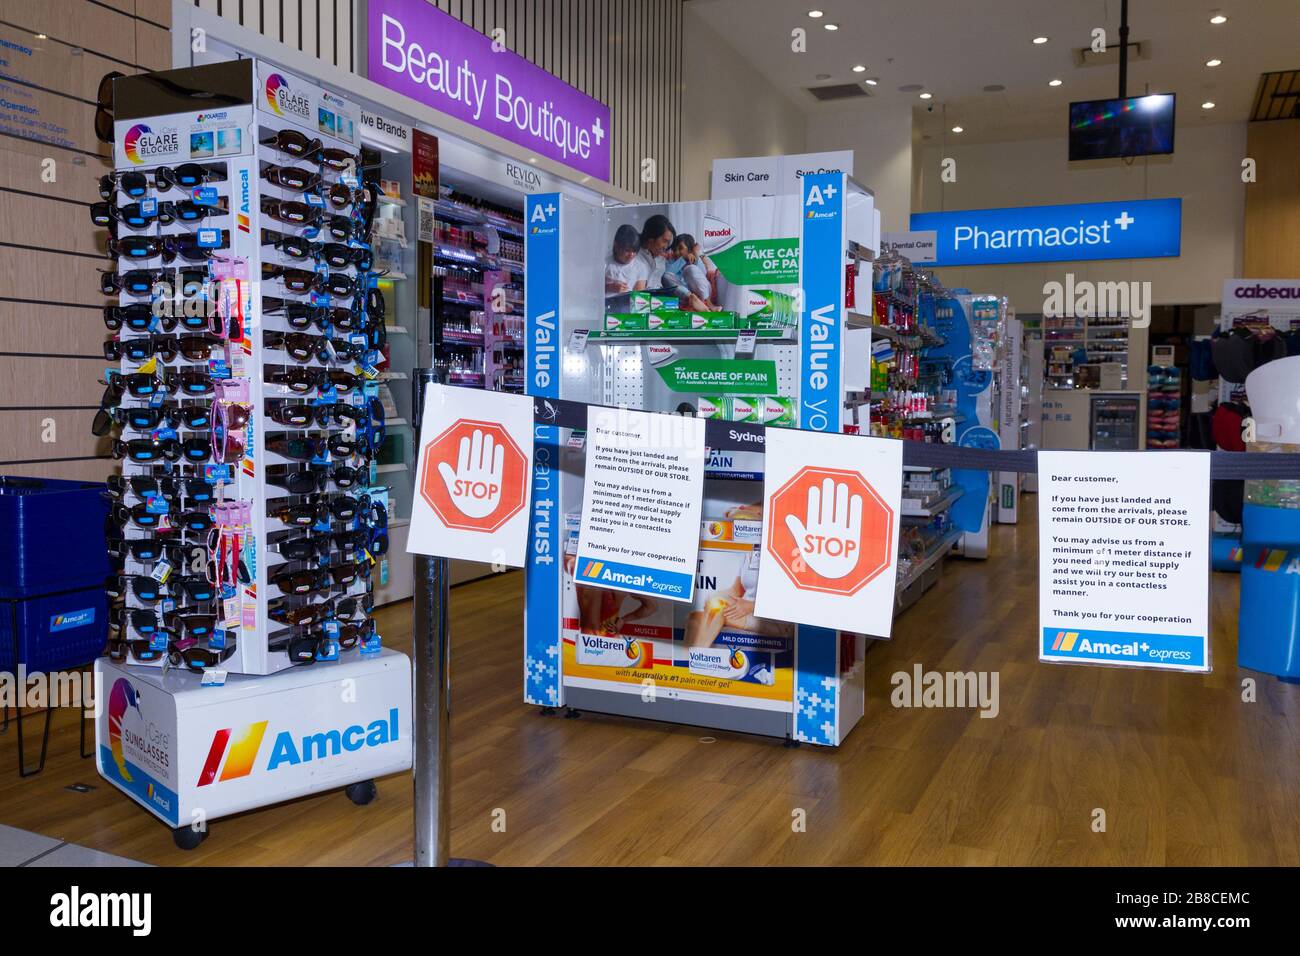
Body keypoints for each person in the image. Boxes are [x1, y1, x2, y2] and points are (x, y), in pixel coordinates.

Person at [632, 213, 675, 291]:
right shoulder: (633, 256)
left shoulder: (660, 256)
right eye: (665, 241)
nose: (666, 246)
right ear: (651, 238)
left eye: (668, 242)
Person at [604, 224, 644, 294]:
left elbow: (640, 298)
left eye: (634, 251)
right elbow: (590, 290)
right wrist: (608, 287)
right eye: (627, 250)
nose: (631, 255)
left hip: (627, 304)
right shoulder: (604, 263)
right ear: (616, 245)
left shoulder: (639, 267)